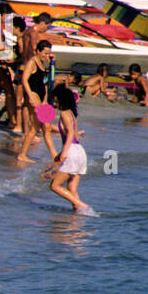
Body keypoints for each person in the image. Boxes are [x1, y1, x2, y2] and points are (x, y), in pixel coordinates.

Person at [46, 84, 92, 214]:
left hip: (71, 151)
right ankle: (77, 218)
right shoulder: (72, 114)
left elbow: (70, 133)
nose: (55, 103)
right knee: (72, 188)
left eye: (56, 100)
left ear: (62, 99)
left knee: (54, 186)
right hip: (79, 151)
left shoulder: (65, 114)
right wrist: (61, 153)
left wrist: (64, 152)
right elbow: (73, 135)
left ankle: (81, 205)